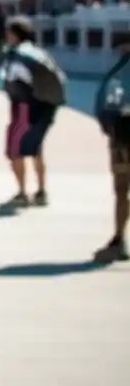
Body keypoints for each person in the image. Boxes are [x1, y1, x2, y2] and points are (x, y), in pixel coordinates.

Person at [0, 17, 66, 208]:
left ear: (15, 35)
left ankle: (22, 193)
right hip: (46, 107)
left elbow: (11, 79)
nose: (7, 36)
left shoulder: (17, 56)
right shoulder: (40, 53)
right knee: (36, 149)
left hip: (24, 108)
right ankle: (41, 191)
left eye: (9, 33)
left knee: (14, 150)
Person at [94, 33, 130, 263]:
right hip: (122, 135)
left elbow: (109, 104)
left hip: (123, 137)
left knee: (121, 189)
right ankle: (118, 240)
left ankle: (119, 240)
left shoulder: (120, 71)